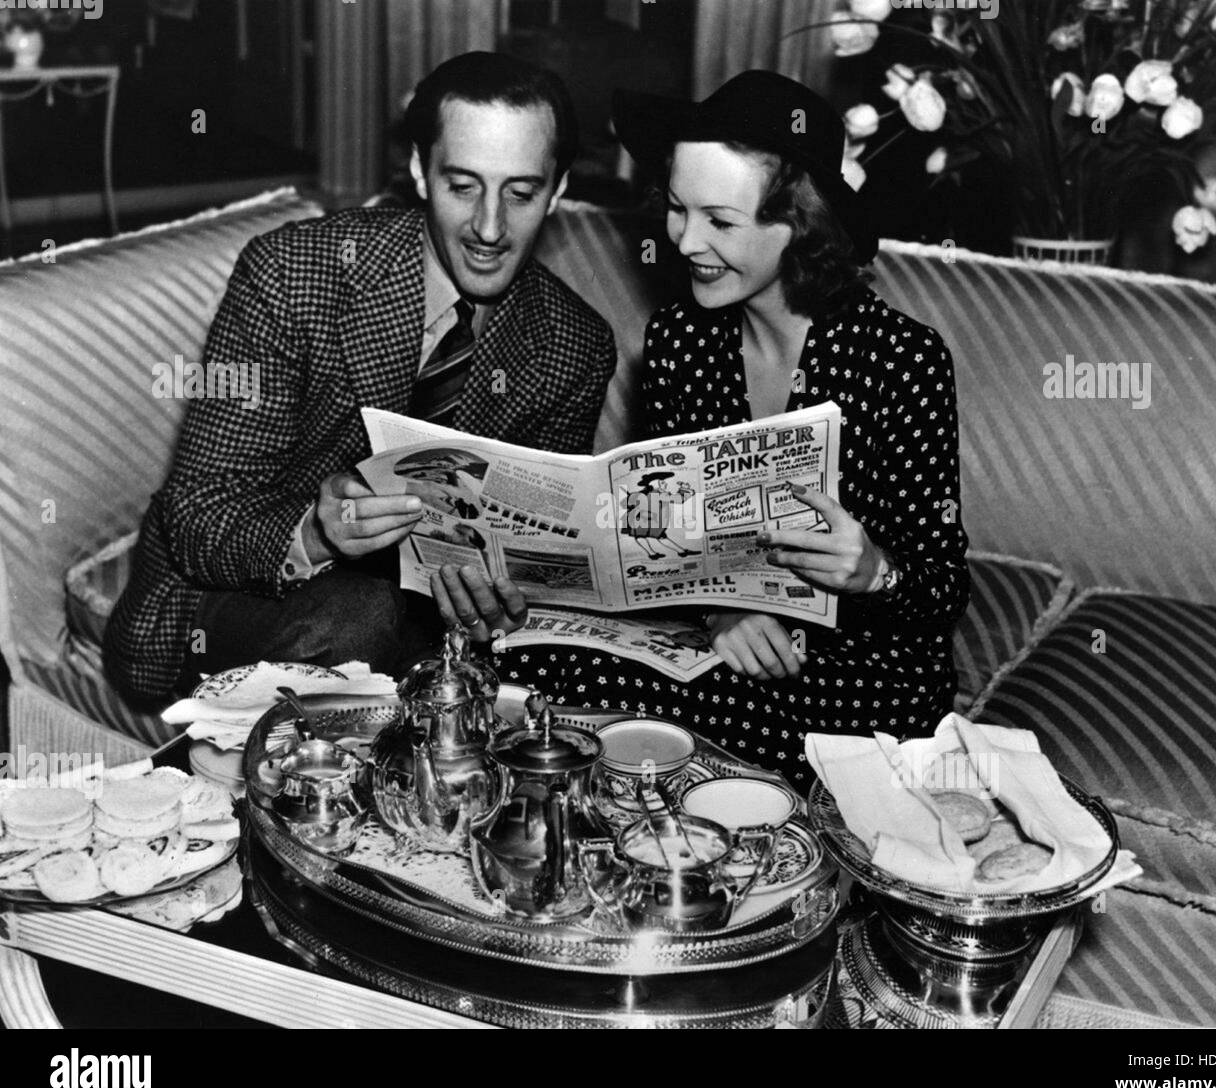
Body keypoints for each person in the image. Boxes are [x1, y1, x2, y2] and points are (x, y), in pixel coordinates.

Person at [495, 71, 970, 792]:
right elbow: (672, 542)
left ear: (799, 224)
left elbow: (941, 595)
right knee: (517, 654)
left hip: (861, 667)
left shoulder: (902, 359)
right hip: (715, 646)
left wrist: (873, 569)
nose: (685, 241)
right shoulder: (681, 338)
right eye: (678, 210)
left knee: (647, 716)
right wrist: (720, 610)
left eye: (720, 220)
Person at [106, 52, 616, 703]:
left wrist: (507, 585)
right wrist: (315, 533)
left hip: (430, 626)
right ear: (419, 172)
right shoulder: (292, 272)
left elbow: (529, 556)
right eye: (463, 186)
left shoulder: (575, 344)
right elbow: (198, 513)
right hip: (237, 596)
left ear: (560, 188)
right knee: (360, 618)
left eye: (520, 193)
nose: (490, 228)